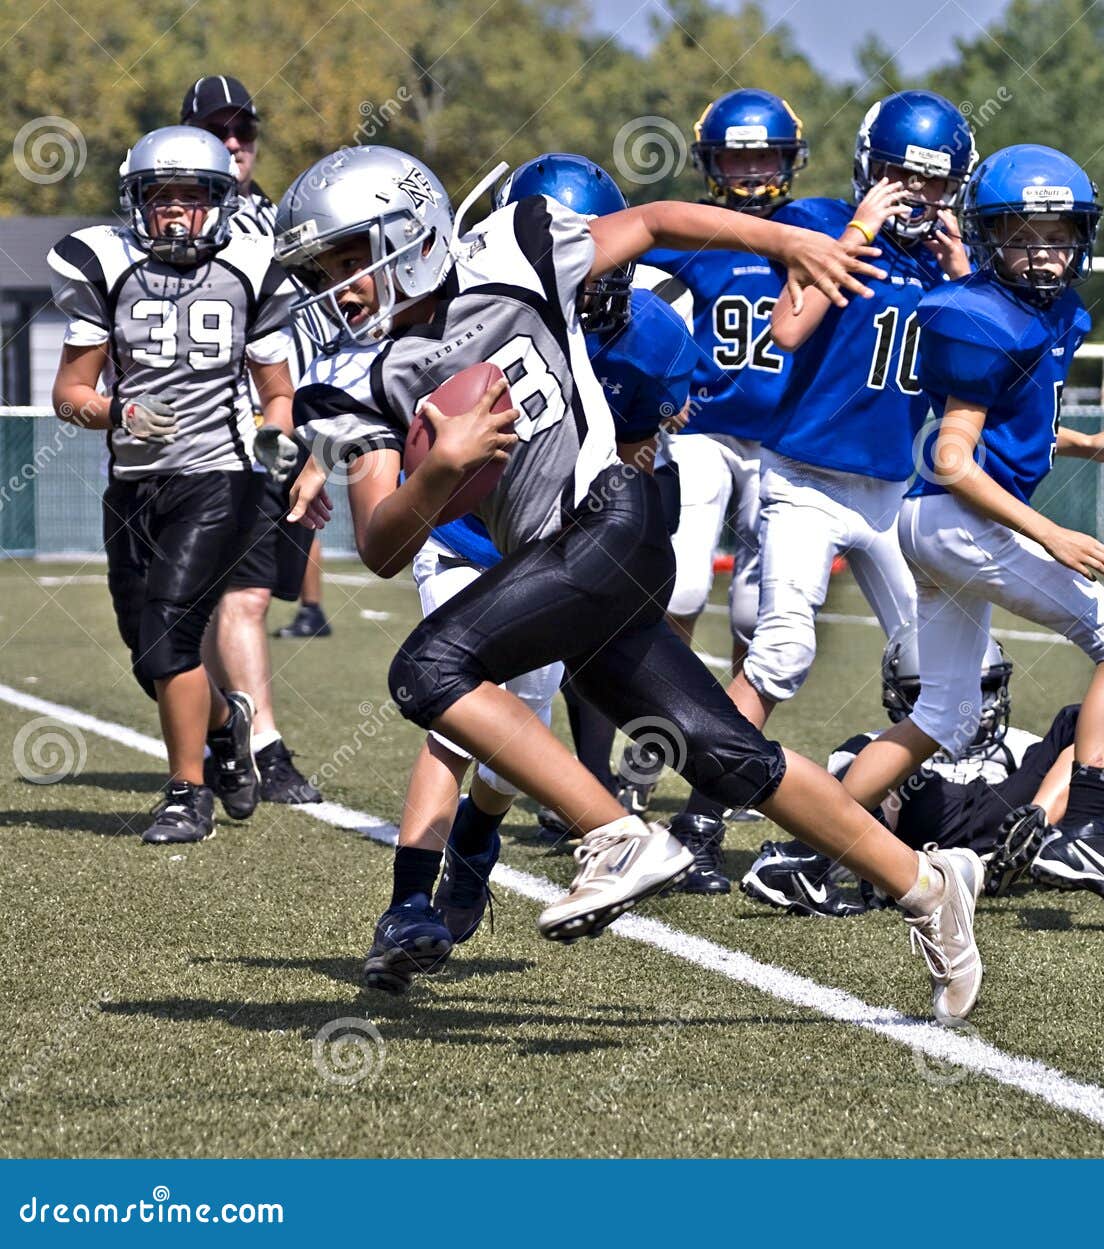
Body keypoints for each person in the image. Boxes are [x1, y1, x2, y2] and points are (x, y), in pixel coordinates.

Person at [276, 145, 986, 1023]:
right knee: (730, 760)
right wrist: (437, 474)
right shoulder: (356, 376)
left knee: (429, 670)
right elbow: (383, 542)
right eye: (324, 270)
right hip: (560, 569)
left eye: (350, 259)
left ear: (410, 231)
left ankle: (614, 832)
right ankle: (926, 884)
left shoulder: (514, 246)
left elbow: (654, 222)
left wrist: (786, 245)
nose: (339, 288)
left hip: (610, 519)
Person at [361, 153, 698, 991]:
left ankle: (479, 833)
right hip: (462, 540)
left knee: (522, 723)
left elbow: (629, 444)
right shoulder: (465, 299)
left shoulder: (650, 335)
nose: (588, 281)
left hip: (554, 542)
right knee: (454, 706)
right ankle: (408, 902)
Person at [836, 143, 1104, 895]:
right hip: (953, 517)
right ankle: (1084, 829)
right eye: (1023, 237)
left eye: (1058, 236)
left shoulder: (1048, 314)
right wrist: (1048, 532)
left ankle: (819, 840)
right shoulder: (983, 316)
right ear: (990, 239)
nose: (1044, 254)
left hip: (935, 525)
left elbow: (1018, 426)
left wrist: (1088, 443)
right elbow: (954, 457)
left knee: (946, 714)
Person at [705, 91, 975, 879]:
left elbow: (980, 373)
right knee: (782, 650)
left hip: (889, 492)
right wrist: (857, 229)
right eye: (900, 176)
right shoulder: (828, 224)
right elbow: (788, 330)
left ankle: (888, 800)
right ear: (869, 171)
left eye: (934, 182)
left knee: (939, 666)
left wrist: (962, 273)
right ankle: (697, 811)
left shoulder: (945, 265)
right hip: (804, 480)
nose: (917, 196)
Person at [47, 126, 296, 842]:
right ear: (138, 203)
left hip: (217, 477)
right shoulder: (108, 266)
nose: (177, 212)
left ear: (219, 201)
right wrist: (115, 411)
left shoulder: (251, 271)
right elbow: (70, 390)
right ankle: (227, 725)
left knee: (166, 636)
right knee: (146, 650)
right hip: (132, 483)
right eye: (162, 198)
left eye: (192, 197)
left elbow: (275, 394)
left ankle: (188, 795)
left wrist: (277, 439)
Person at [619, 88, 810, 819]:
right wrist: (667, 389)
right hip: (701, 433)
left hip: (786, 445)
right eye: (738, 155)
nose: (754, 171)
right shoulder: (689, 235)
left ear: (790, 159)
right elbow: (636, 316)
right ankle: (645, 745)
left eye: (766, 155)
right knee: (686, 588)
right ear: (710, 162)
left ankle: (734, 755)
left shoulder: (815, 227)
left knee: (761, 616)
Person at [745, 625, 1104, 916]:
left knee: (1079, 722)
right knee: (863, 769)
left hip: (1000, 819)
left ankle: (1035, 830)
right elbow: (846, 789)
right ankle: (829, 863)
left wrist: (1041, 806)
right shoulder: (876, 747)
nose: (977, 704)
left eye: (984, 688)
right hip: (917, 827)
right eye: (935, 693)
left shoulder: (1016, 747)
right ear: (901, 697)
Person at [182, 73, 325, 802]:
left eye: (244, 130)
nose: (234, 142)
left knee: (240, 596)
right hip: (222, 436)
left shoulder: (279, 216)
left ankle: (220, 735)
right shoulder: (183, 225)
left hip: (282, 427)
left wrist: (312, 445)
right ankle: (263, 745)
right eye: (217, 130)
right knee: (244, 597)